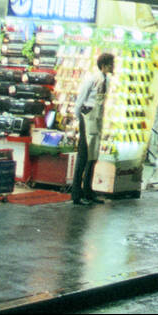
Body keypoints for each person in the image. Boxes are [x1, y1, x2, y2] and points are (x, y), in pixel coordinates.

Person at [71, 52, 115, 204]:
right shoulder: (92, 79)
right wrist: (78, 117)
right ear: (103, 65)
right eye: (110, 64)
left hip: (97, 118)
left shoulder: (107, 80)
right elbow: (81, 98)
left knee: (93, 155)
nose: (112, 67)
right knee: (84, 154)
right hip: (87, 116)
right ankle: (76, 193)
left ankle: (88, 190)